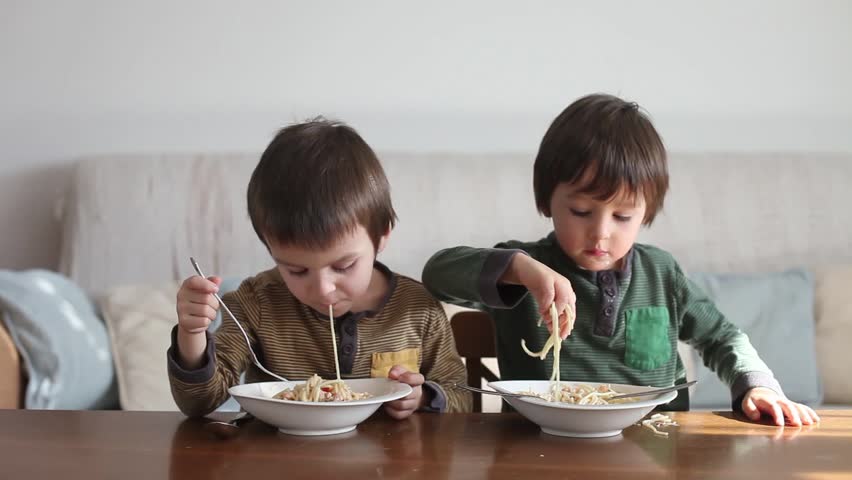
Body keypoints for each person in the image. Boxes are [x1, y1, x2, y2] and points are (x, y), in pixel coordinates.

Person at [422, 94, 818, 426]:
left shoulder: (662, 274)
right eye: (580, 211)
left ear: (646, 214)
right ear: (547, 201)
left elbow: (722, 337)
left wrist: (756, 384)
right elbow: (437, 274)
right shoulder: (523, 271)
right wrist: (519, 270)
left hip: (658, 446)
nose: (600, 233)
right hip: (539, 449)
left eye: (623, 216)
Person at [168, 117, 471, 418]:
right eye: (297, 271)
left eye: (344, 266)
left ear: (382, 236)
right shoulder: (256, 304)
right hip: (278, 461)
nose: (323, 288)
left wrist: (421, 398)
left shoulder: (416, 308)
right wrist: (192, 334)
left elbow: (461, 397)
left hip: (392, 463)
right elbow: (201, 403)